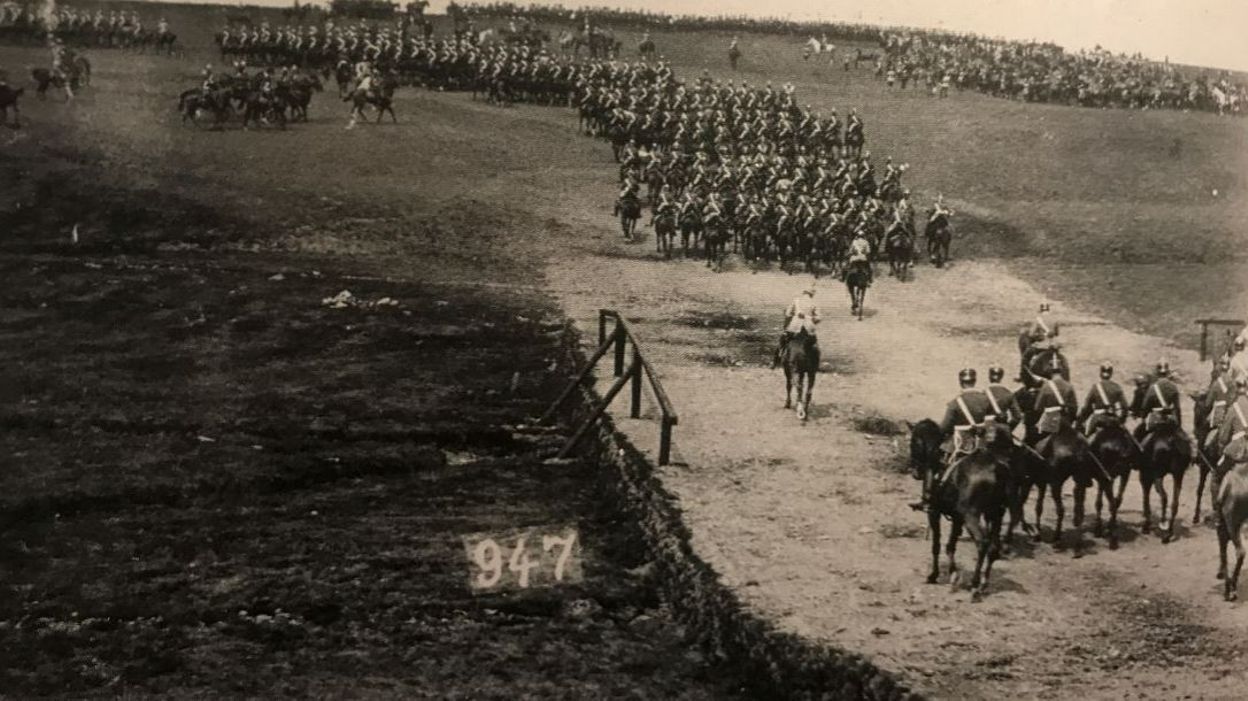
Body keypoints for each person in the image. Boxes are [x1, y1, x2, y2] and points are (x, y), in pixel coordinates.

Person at [1134, 360, 1182, 451]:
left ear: (1157, 372)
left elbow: (1145, 406)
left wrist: (1143, 417)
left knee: (1137, 435)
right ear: (1168, 372)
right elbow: (1178, 408)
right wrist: (1179, 424)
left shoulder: (1152, 388)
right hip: (1170, 421)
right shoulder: (1173, 387)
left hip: (1156, 421)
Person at [1032, 364, 1078, 456]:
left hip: (1049, 423)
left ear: (1050, 372)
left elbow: (1037, 408)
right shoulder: (1069, 386)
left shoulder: (1046, 386)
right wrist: (1069, 420)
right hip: (1065, 422)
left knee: (1037, 448)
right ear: (1061, 371)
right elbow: (1074, 408)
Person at [774, 284, 819, 369]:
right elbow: (818, 318)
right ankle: (814, 362)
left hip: (794, 328)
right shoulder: (814, 303)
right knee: (814, 344)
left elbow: (788, 313)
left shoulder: (796, 300)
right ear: (812, 294)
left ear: (804, 292)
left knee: (783, 340)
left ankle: (777, 359)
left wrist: (792, 316)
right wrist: (811, 319)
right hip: (809, 329)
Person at [1077, 362, 1129, 436]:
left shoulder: (1095, 388)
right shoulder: (1117, 387)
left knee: (1087, 439)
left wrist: (1081, 420)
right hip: (1113, 420)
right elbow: (1125, 407)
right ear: (1111, 374)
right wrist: (1121, 421)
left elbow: (1086, 407)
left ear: (1100, 373)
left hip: (1098, 420)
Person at [985, 365, 1024, 430]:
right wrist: (1009, 428)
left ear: (989, 377)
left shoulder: (983, 393)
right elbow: (1017, 416)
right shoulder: (1008, 393)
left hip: (987, 428)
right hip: (1002, 427)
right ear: (1001, 377)